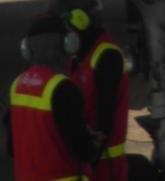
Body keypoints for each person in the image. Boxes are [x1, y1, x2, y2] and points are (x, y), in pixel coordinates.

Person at [7, 11, 99, 181]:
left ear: (27, 49)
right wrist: (92, 142)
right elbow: (82, 151)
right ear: (68, 45)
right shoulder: (62, 87)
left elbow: (12, 147)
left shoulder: (17, 85)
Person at [50, 0, 128, 181]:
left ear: (79, 21)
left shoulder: (106, 56)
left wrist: (89, 155)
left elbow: (104, 119)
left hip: (104, 163)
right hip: (88, 160)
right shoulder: (77, 58)